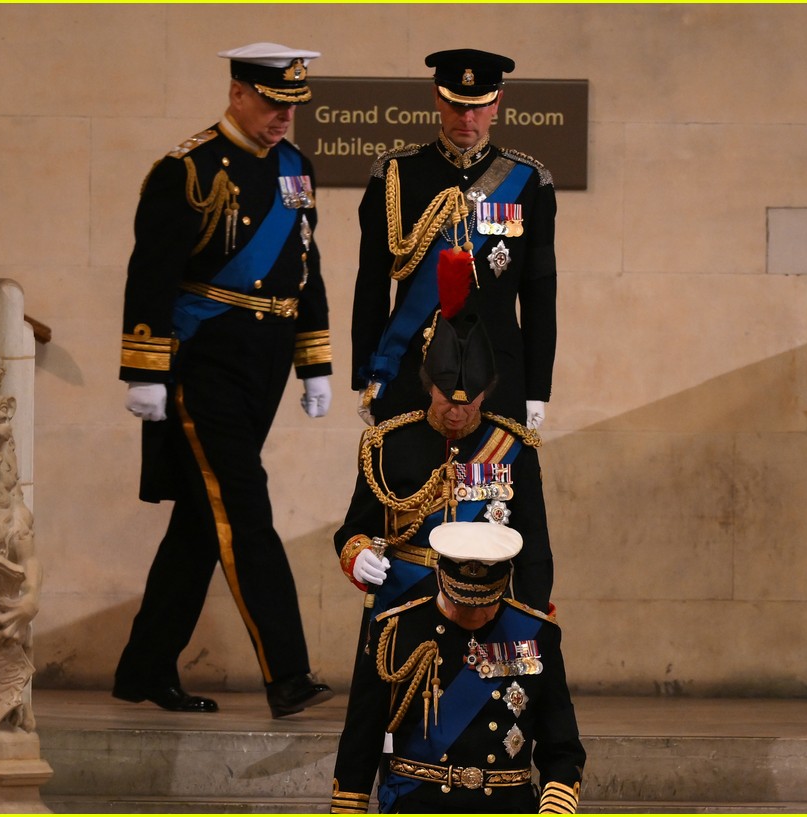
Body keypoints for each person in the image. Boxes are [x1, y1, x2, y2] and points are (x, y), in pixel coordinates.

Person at [113, 42, 333, 718]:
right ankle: (287, 673)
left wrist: (314, 361)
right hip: (203, 355)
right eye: (271, 103)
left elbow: (306, 266)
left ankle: (143, 666)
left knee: (202, 524)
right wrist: (145, 369)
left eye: (292, 106)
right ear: (238, 92)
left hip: (264, 357)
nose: (282, 118)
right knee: (243, 505)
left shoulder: (297, 168)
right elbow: (150, 273)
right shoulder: (188, 169)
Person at [351, 48, 557, 431]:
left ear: (497, 103)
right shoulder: (395, 174)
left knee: (489, 490)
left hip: (498, 369)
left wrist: (537, 388)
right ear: (436, 97)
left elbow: (540, 292)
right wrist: (366, 373)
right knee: (407, 486)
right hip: (411, 365)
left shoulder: (529, 181)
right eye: (456, 104)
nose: (467, 117)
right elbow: (371, 284)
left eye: (477, 105)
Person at [335, 300, 554, 646]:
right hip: (404, 602)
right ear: (429, 386)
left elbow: (534, 546)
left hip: (485, 609)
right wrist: (358, 554)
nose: (456, 413)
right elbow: (355, 526)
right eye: (446, 399)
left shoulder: (514, 450)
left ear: (485, 394)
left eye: (468, 403)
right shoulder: (388, 444)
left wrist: (533, 617)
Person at [330, 522, 584, 814]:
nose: (474, 613)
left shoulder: (536, 634)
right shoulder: (394, 631)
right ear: (440, 577)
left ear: (504, 584)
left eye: (485, 603)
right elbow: (361, 742)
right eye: (461, 602)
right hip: (421, 804)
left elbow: (562, 746)